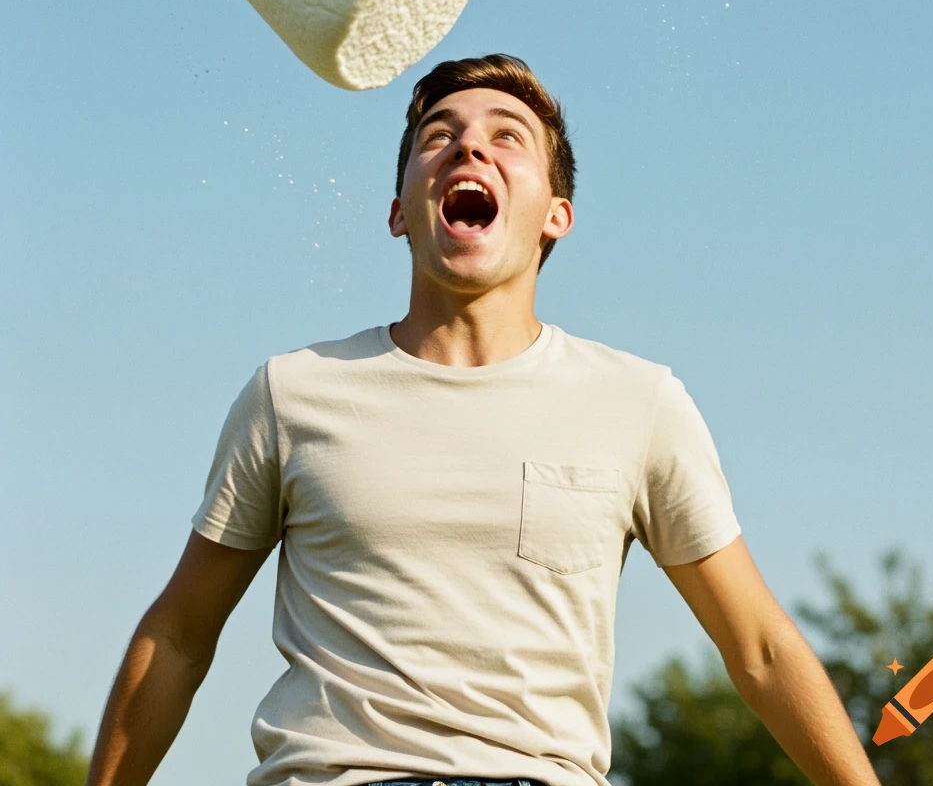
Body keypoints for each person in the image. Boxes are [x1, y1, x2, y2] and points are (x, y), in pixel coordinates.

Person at [85, 54, 881, 786]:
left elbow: (762, 650)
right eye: (440, 136)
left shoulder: (640, 403)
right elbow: (180, 635)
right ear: (400, 211)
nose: (470, 149)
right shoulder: (292, 393)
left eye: (509, 138)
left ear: (555, 215)